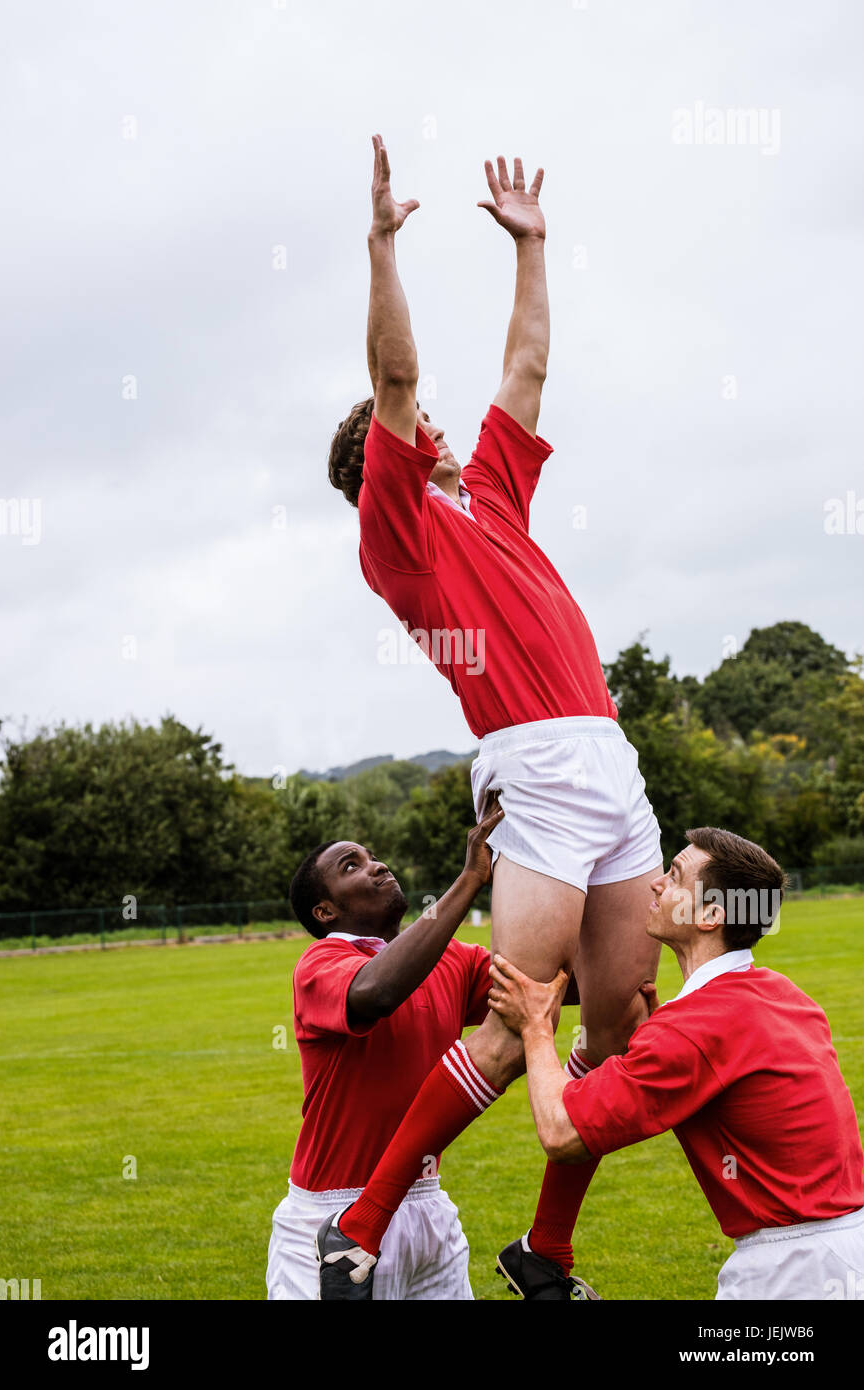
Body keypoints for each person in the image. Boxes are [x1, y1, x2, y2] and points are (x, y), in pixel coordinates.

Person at [320, 133, 662, 1298]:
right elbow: (398, 381)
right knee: (517, 1018)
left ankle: (544, 1250)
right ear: (387, 460)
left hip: (608, 757)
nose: (439, 430)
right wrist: (379, 247)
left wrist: (531, 249)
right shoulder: (398, 536)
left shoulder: (493, 502)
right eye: (413, 435)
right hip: (540, 766)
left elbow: (525, 368)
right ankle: (360, 1226)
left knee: (616, 1029)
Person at [486, 826, 864, 1300]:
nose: (657, 883)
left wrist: (536, 1027)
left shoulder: (695, 1027)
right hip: (841, 1250)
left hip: (791, 1272)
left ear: (709, 915)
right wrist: (660, 1032)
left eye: (676, 875)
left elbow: (563, 1132)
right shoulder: (783, 994)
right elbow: (723, 1056)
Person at [266, 800, 505, 1300]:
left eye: (371, 856)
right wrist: (469, 879)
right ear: (325, 911)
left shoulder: (453, 959)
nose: (375, 864)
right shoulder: (321, 962)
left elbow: (540, 982)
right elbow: (377, 993)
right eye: (350, 865)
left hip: (425, 1205)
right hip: (328, 1214)